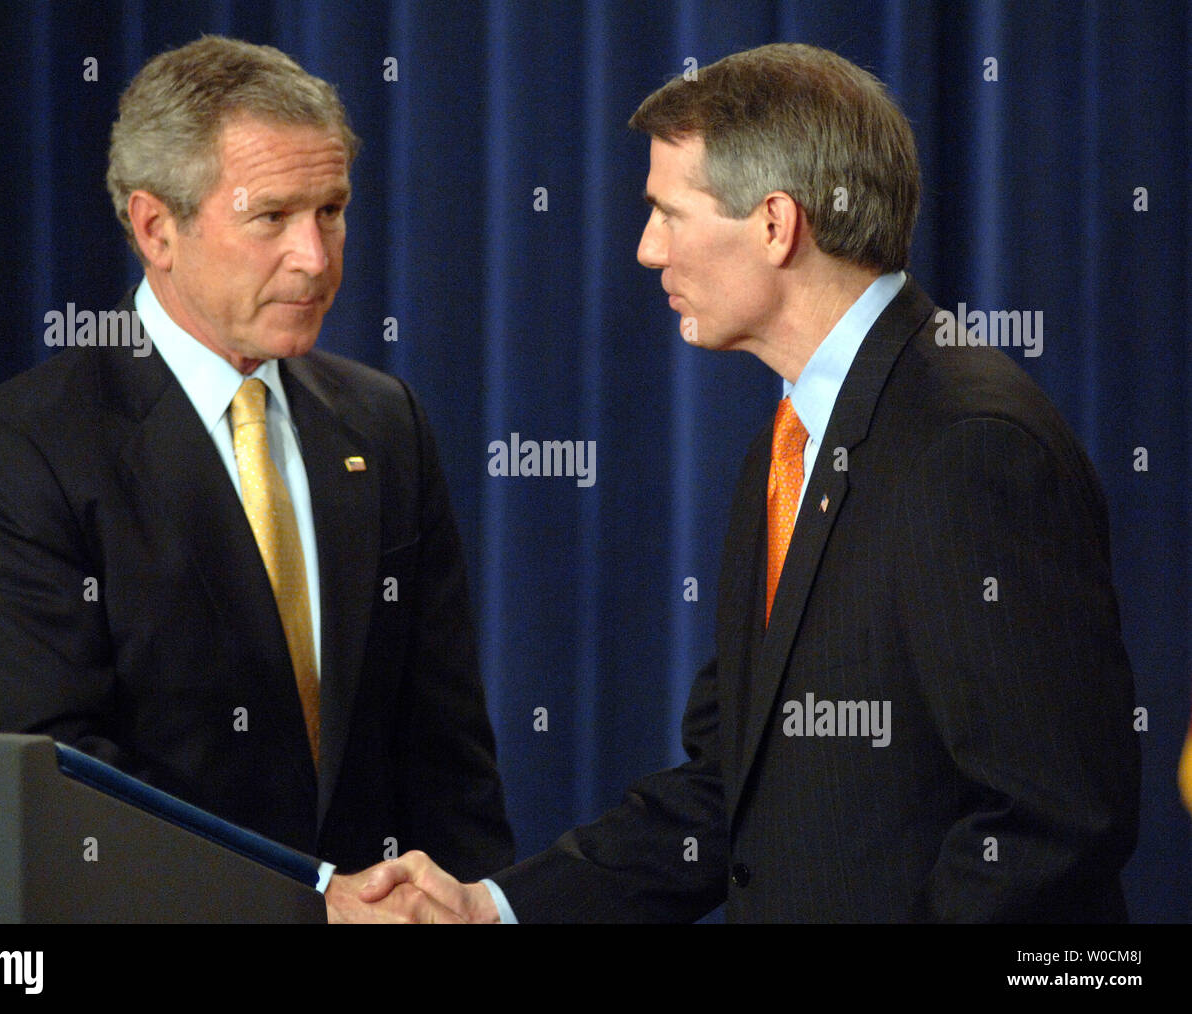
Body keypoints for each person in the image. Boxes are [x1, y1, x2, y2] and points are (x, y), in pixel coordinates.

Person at [361, 42, 1140, 922]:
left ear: (775, 224)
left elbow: (1052, 825)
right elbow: (732, 789)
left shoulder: (970, 445)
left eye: (667, 212)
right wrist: (494, 909)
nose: (647, 249)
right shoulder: (796, 434)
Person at [0, 35, 512, 922]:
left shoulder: (384, 422)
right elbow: (62, 787)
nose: (315, 257)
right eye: (271, 218)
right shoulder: (13, 456)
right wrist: (313, 901)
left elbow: (446, 754)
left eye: (333, 209)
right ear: (156, 227)